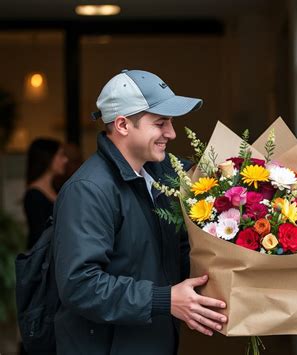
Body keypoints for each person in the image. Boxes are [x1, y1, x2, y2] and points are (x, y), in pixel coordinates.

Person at [53, 69, 227, 355]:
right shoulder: (88, 190)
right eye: (160, 123)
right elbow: (79, 285)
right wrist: (165, 300)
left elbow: (173, 254)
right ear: (122, 124)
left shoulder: (161, 177)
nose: (171, 133)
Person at [23, 138, 68, 249]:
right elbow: (39, 236)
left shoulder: (58, 189)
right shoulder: (33, 195)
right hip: (44, 261)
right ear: (48, 158)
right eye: (61, 155)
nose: (65, 160)